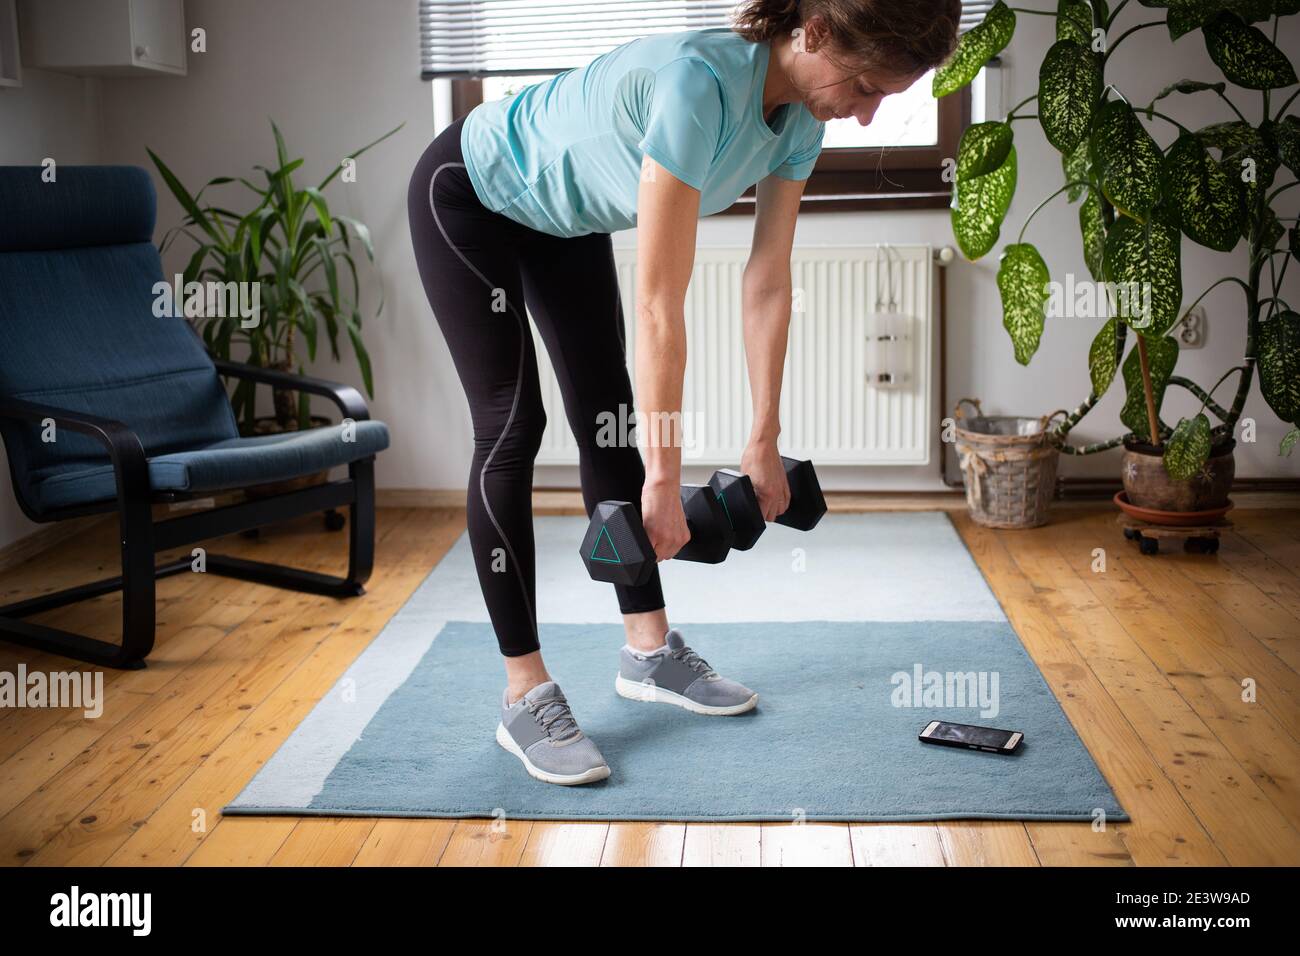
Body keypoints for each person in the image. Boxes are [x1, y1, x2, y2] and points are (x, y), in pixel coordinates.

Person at [406, 0, 961, 785]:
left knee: (607, 421)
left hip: (560, 221)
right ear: (818, 32)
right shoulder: (697, 84)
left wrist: (761, 438)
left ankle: (647, 652)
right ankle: (524, 691)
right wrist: (663, 483)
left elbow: (768, 282)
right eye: (867, 87)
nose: (867, 115)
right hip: (469, 191)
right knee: (511, 426)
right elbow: (661, 302)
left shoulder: (802, 117)